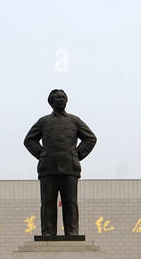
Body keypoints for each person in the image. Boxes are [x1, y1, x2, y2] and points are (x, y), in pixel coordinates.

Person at [22, 89, 98, 237]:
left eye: (63, 97)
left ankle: (72, 232)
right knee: (48, 203)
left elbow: (91, 138)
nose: (61, 100)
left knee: (70, 202)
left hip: (70, 167)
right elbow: (29, 140)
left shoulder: (74, 121)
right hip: (48, 168)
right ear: (51, 102)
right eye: (58, 98)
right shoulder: (44, 121)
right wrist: (41, 153)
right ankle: (48, 233)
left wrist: (77, 154)